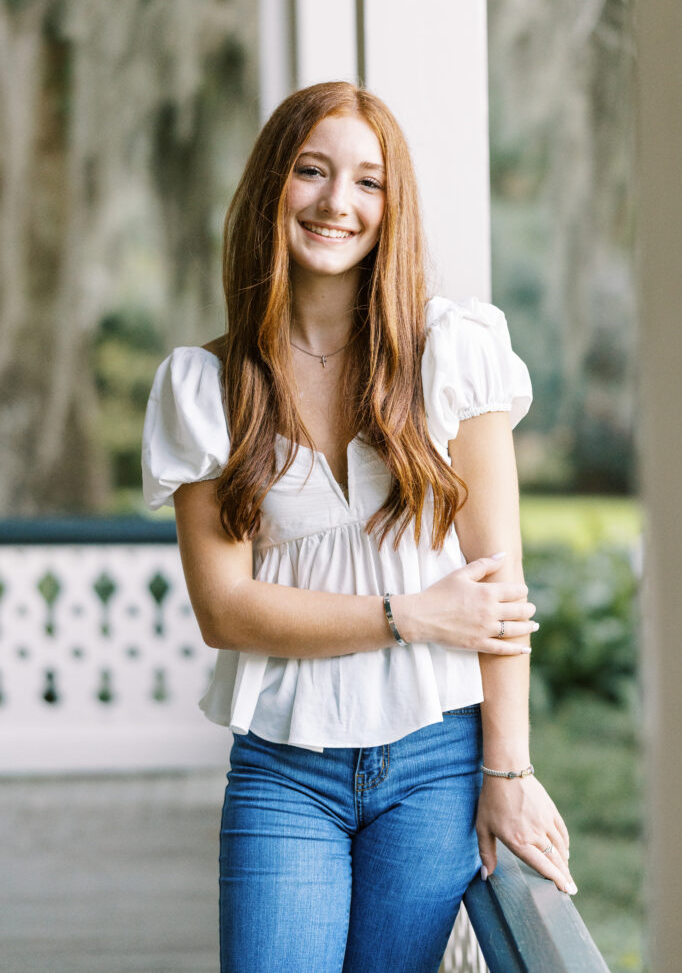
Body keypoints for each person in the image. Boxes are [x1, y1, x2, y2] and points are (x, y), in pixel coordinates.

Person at [141, 80, 575, 973]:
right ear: (273, 188)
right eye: (312, 171)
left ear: (393, 207)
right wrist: (410, 613)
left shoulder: (453, 354)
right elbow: (225, 609)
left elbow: (500, 587)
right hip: (284, 770)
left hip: (436, 763)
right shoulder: (206, 387)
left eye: (369, 182)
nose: (338, 201)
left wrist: (509, 772)